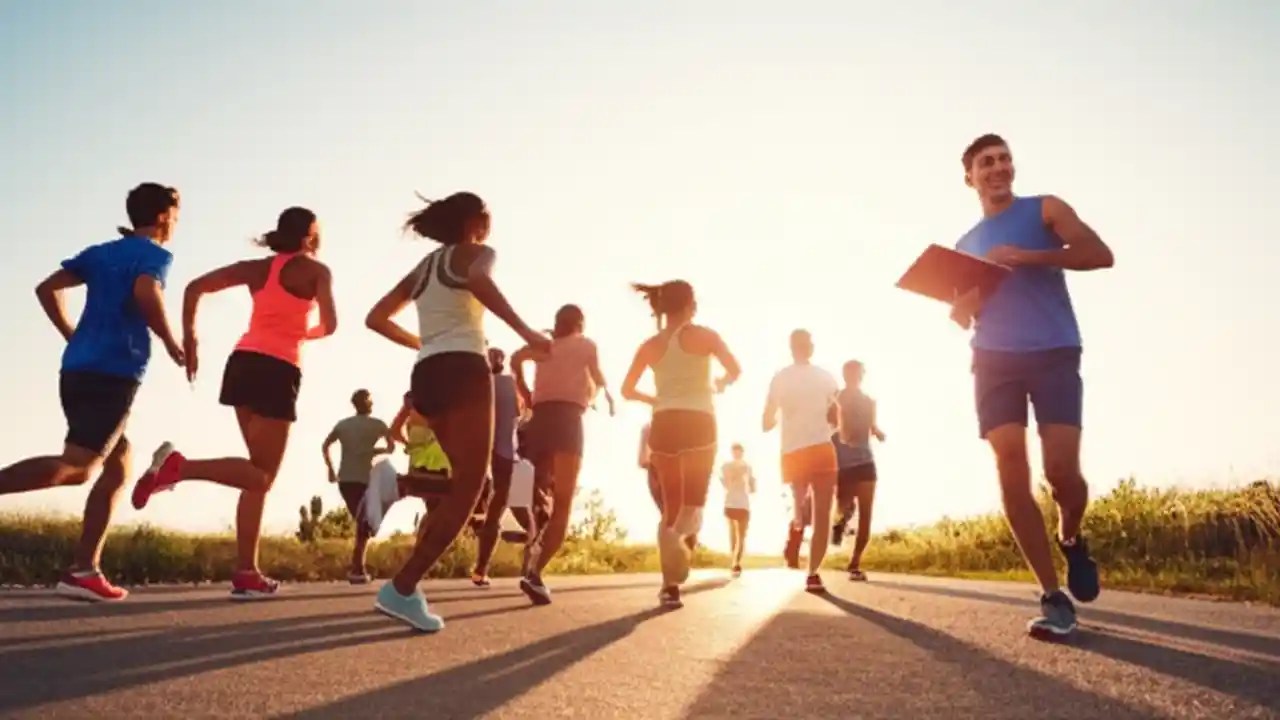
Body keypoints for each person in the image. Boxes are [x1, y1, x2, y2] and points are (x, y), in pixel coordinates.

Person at [950, 133, 1113, 640]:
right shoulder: (963, 245)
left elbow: (1099, 254)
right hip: (993, 359)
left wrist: (1028, 257)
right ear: (970, 177)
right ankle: (1051, 595)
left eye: (1004, 159)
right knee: (1009, 466)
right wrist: (964, 304)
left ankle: (1071, 536)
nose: (998, 168)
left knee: (1062, 472)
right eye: (986, 163)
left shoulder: (1045, 209)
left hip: (1054, 350)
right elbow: (961, 313)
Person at [131, 207, 338, 601]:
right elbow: (330, 324)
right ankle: (178, 468)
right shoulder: (317, 271)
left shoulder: (256, 268)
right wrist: (300, 334)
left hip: (242, 362)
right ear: (310, 236)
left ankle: (247, 571)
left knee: (253, 475)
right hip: (278, 368)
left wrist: (191, 342)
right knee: (261, 476)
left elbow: (195, 287)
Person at [364, 190, 548, 632]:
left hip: (426, 373)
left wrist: (422, 344)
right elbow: (482, 283)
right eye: (487, 221)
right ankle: (402, 587)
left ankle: (402, 485)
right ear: (475, 224)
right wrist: (525, 331)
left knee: (460, 482)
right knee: (470, 491)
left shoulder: (424, 268)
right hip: (465, 368)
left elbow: (376, 317)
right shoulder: (477, 253)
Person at [0, 183, 183, 602]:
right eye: (176, 215)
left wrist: (72, 334)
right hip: (113, 371)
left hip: (78, 368)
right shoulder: (154, 255)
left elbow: (46, 287)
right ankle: (82, 568)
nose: (176, 224)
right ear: (161, 217)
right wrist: (172, 342)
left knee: (119, 465)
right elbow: (145, 292)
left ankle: (85, 568)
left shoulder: (100, 252)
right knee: (80, 466)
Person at [621, 280, 741, 609]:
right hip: (700, 421)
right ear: (691, 305)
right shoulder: (706, 336)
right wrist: (721, 382)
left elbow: (627, 389)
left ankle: (669, 586)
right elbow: (735, 369)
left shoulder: (650, 345)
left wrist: (656, 399)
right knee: (693, 505)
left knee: (671, 509)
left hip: (665, 422)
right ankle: (679, 557)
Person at [510, 304, 615, 605]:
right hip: (567, 421)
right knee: (563, 503)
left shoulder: (544, 345)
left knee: (536, 496)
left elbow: (516, 358)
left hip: (538, 420)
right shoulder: (586, 344)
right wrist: (598, 395)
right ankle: (535, 572)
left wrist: (523, 389)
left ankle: (531, 548)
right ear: (580, 324)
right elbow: (598, 375)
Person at [763, 329, 839, 594]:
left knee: (801, 505)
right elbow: (836, 415)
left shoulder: (780, 378)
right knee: (822, 516)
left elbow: (766, 421)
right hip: (821, 448)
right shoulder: (826, 377)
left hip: (793, 451)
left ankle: (797, 510)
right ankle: (813, 572)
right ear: (811, 348)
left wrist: (779, 418)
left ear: (791, 348)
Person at [322, 389, 394, 584]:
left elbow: (325, 445)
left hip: (347, 480)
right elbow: (391, 447)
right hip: (362, 480)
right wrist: (373, 451)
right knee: (364, 523)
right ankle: (357, 568)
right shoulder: (377, 424)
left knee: (364, 523)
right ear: (369, 404)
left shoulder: (344, 425)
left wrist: (330, 468)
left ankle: (357, 567)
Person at [472, 347, 527, 587]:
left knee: (499, 507)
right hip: (506, 452)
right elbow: (520, 414)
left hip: (486, 452)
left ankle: (481, 569)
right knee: (510, 507)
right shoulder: (507, 383)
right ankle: (530, 569)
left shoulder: (476, 385)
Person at [831, 360, 885, 581]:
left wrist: (878, 432)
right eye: (850, 373)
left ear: (862, 375)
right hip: (842, 463)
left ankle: (855, 562)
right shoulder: (836, 397)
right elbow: (829, 425)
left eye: (858, 373)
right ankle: (837, 527)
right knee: (841, 509)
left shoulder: (869, 401)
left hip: (865, 461)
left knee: (866, 514)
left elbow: (872, 425)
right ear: (844, 374)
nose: (855, 376)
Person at [720, 443, 756, 578]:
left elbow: (752, 487)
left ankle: (735, 562)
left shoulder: (746, 467)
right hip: (734, 502)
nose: (737, 454)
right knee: (736, 535)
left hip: (740, 503)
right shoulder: (728, 467)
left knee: (739, 535)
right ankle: (735, 562)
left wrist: (749, 481)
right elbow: (726, 484)